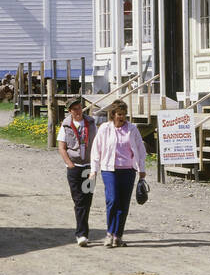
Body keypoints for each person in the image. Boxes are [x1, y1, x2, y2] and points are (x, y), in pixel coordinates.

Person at [87, 99, 148, 248]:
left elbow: (140, 150)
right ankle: (109, 233)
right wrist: (93, 169)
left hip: (128, 170)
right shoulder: (104, 128)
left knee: (124, 204)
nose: (122, 117)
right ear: (113, 114)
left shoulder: (132, 129)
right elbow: (96, 149)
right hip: (109, 169)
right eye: (119, 114)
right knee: (113, 200)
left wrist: (142, 169)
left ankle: (118, 236)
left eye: (124, 114)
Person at [58, 96, 98, 246]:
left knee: (87, 200)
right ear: (70, 111)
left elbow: (97, 143)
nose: (78, 111)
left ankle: (83, 232)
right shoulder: (66, 125)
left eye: (79, 108)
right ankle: (81, 234)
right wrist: (69, 164)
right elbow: (61, 147)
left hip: (89, 167)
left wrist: (95, 165)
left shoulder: (91, 123)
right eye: (74, 109)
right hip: (75, 167)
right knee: (79, 200)